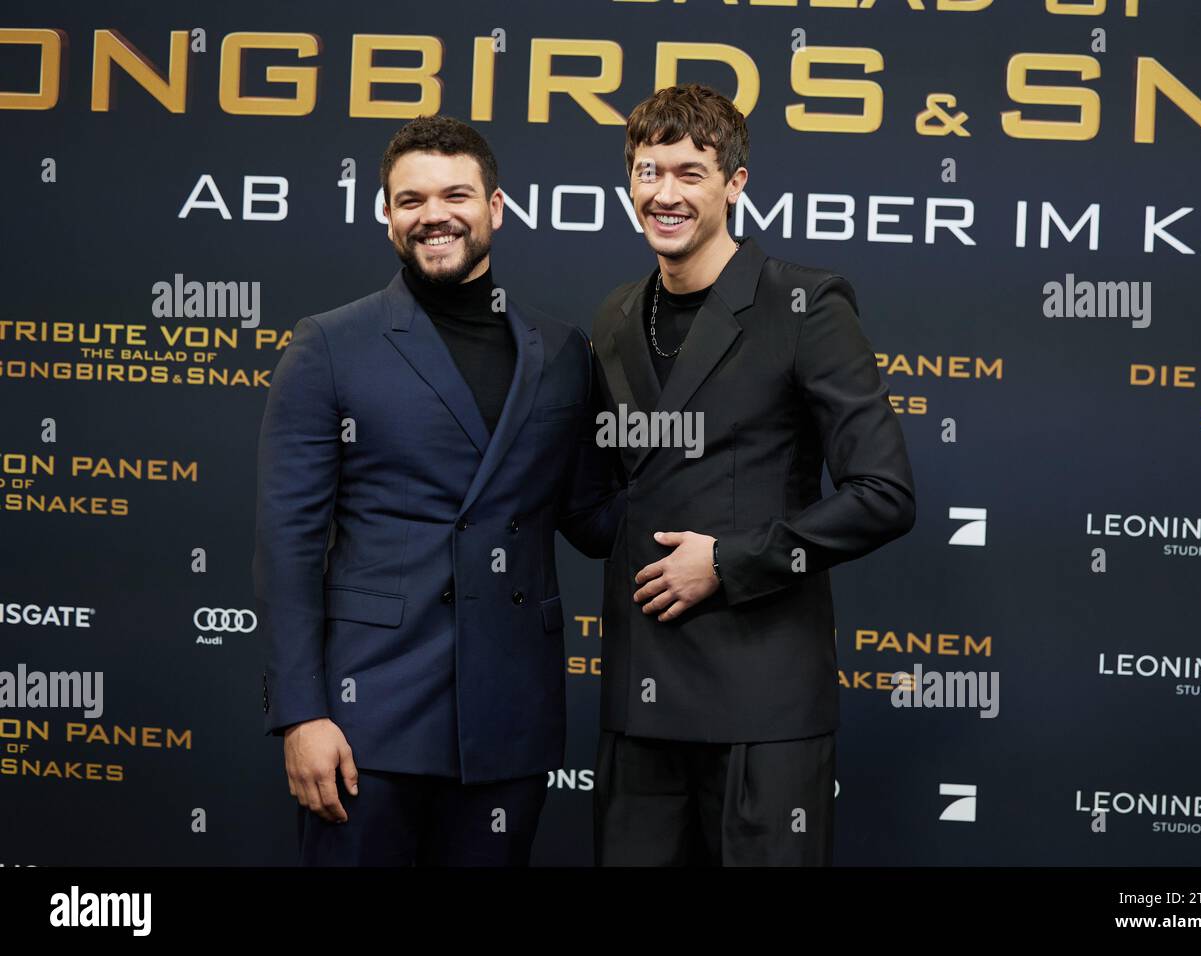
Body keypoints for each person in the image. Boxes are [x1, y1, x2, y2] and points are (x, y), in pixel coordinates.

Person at [254, 115, 622, 866]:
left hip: (508, 720)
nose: (433, 216)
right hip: (366, 721)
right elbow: (286, 544)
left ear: (495, 207)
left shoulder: (561, 352)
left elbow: (592, 516)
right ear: (387, 214)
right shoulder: (328, 343)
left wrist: (725, 488)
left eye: (455, 194)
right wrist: (300, 715)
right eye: (411, 200)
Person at [590, 84, 916, 866]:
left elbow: (885, 495)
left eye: (689, 173)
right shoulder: (613, 316)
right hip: (639, 710)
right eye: (647, 171)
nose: (664, 193)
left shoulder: (805, 305)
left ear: (735, 184)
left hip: (762, 712)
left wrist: (729, 563)